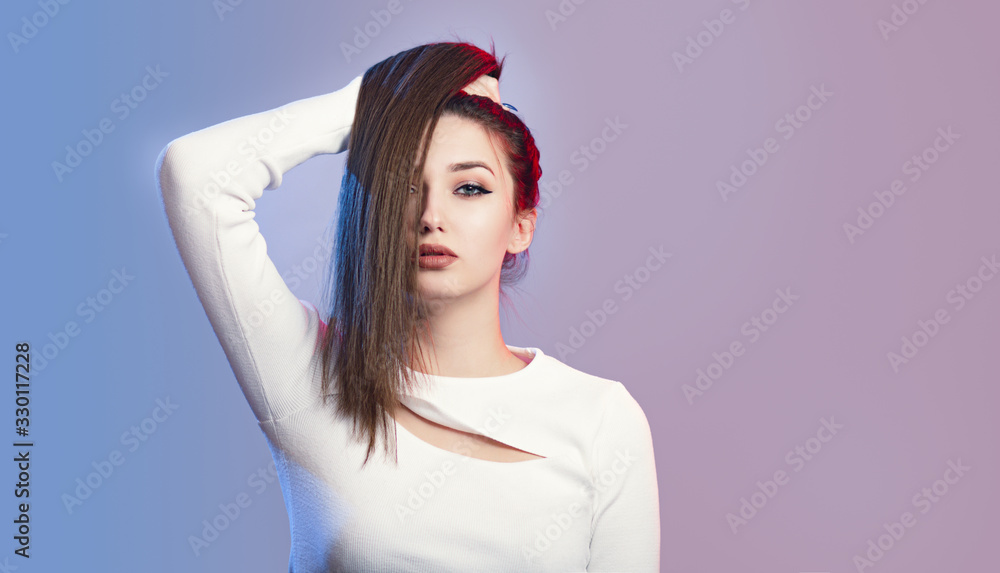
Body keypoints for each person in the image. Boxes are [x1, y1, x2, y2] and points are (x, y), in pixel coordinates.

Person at [155, 40, 659, 572]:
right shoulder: (312, 378)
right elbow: (196, 176)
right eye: (405, 187)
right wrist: (374, 102)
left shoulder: (602, 419)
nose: (431, 216)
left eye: (469, 188)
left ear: (521, 225)